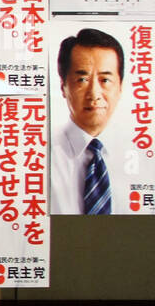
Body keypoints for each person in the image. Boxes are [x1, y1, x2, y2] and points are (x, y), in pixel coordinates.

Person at [50, 28, 125, 215]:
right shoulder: (41, 157)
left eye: (105, 80)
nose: (94, 94)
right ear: (63, 87)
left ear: (120, 87)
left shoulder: (147, 159)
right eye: (82, 79)